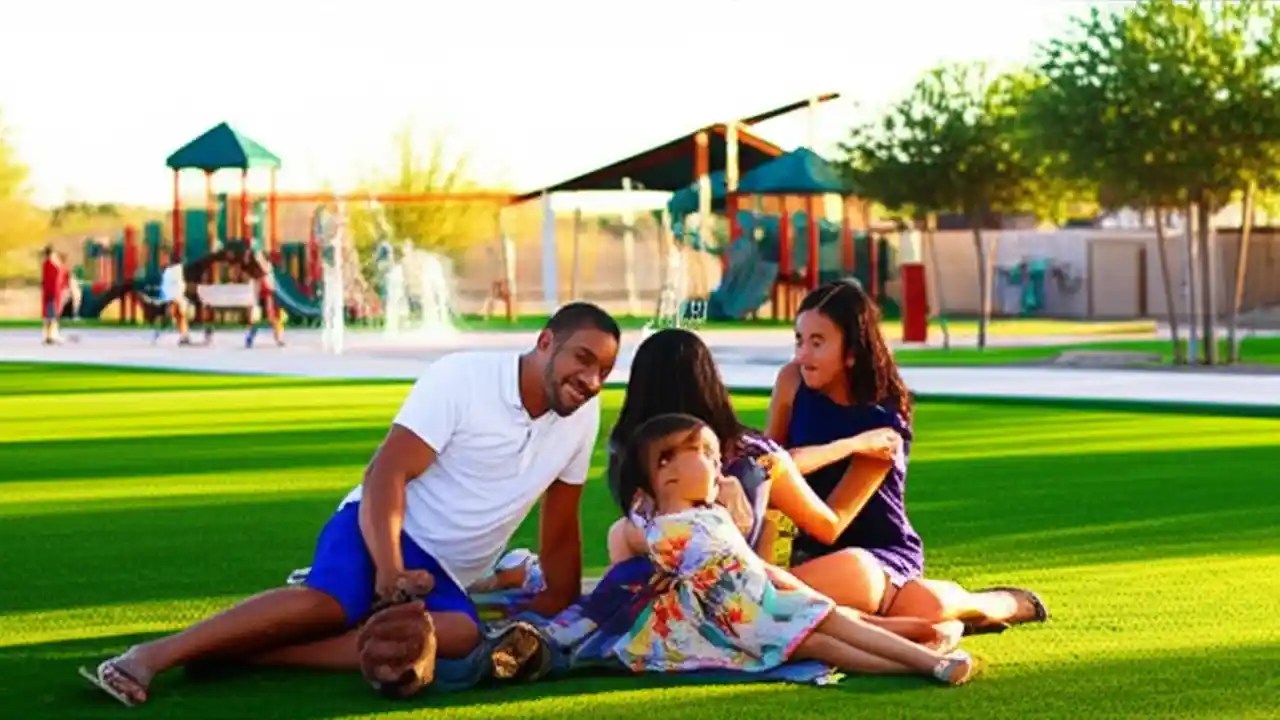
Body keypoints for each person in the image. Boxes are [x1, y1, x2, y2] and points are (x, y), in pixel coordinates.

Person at [79, 302, 622, 706]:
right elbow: (385, 472)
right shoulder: (463, 377)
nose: (592, 380)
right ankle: (151, 656)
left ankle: (251, 651)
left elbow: (560, 525)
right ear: (546, 341)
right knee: (332, 604)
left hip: (445, 574)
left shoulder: (581, 417)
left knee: (460, 635)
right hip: (381, 528)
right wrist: (391, 567)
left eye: (604, 370)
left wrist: (561, 601)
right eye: (583, 358)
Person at [767, 279, 1048, 632]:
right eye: (799, 340)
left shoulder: (883, 425)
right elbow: (768, 464)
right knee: (782, 592)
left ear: (851, 352)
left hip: (873, 553)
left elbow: (830, 525)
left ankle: (996, 604)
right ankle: (897, 627)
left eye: (817, 342)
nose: (802, 355)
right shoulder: (791, 381)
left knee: (917, 601)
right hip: (801, 554)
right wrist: (850, 445)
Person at [611, 413, 975, 685]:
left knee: (839, 622)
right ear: (666, 472)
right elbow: (643, 542)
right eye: (705, 454)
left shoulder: (712, 515)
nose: (718, 462)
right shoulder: (662, 529)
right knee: (824, 641)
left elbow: (748, 563)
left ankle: (927, 648)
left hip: (767, 600)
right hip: (745, 622)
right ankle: (927, 662)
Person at [153, 253, 192, 345]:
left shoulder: (175, 270)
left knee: (177, 315)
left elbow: (176, 285)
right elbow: (169, 285)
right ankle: (183, 335)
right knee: (177, 315)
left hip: (174, 296)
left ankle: (183, 335)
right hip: (172, 296)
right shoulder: (170, 271)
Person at [40, 246, 70, 345]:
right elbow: (54, 281)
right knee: (52, 317)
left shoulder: (48, 265)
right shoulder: (52, 266)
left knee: (50, 317)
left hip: (50, 294)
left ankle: (50, 336)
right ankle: (51, 336)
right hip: (52, 294)